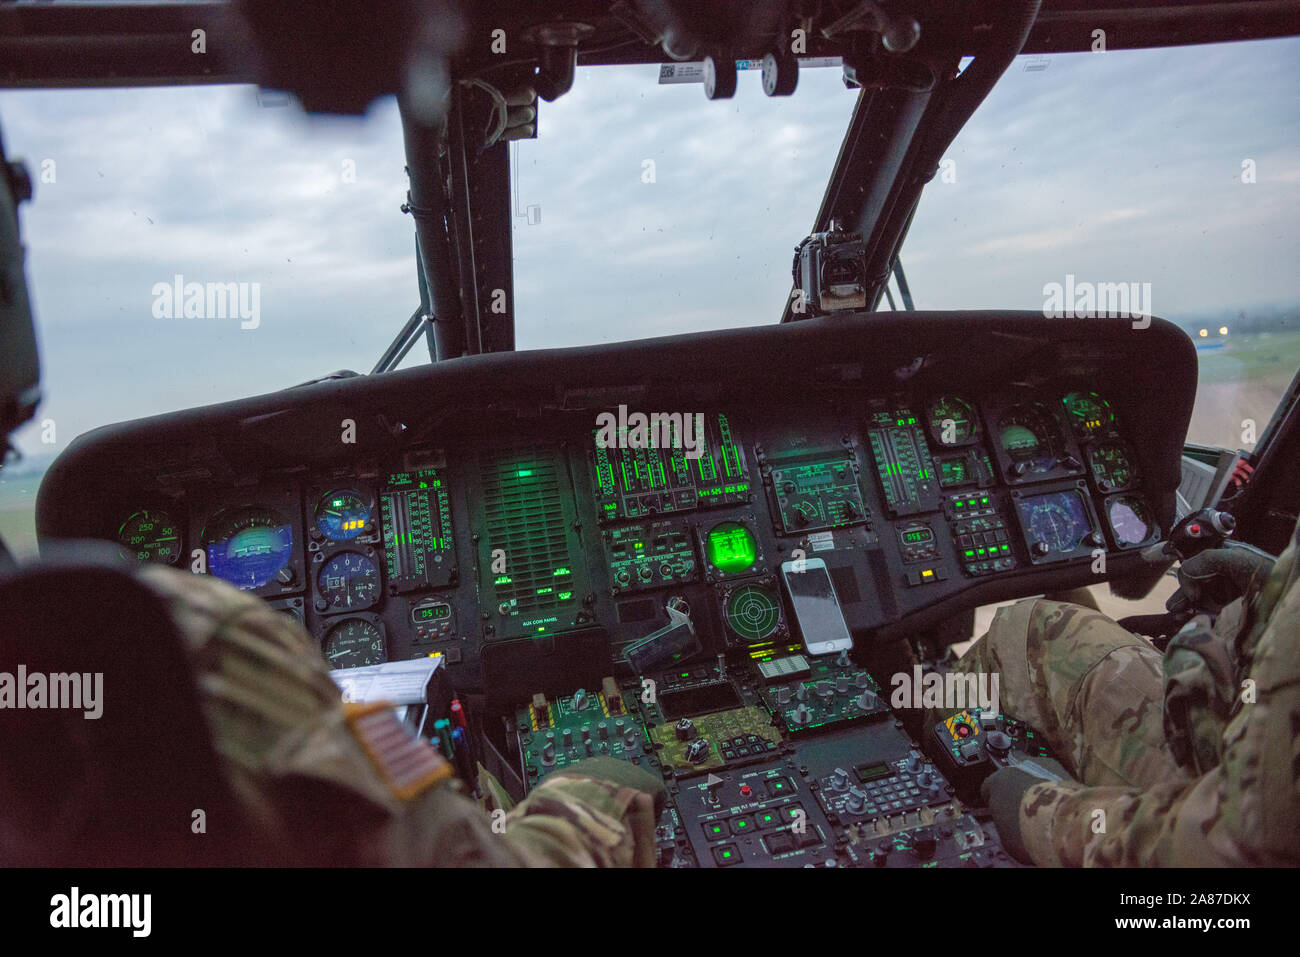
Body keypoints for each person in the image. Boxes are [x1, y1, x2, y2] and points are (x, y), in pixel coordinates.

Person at [967, 521, 1300, 866]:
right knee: (1064, 607)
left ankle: (923, 768)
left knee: (1027, 629)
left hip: (1228, 799)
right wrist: (1268, 598)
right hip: (1249, 733)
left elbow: (1240, 838)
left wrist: (1041, 818)